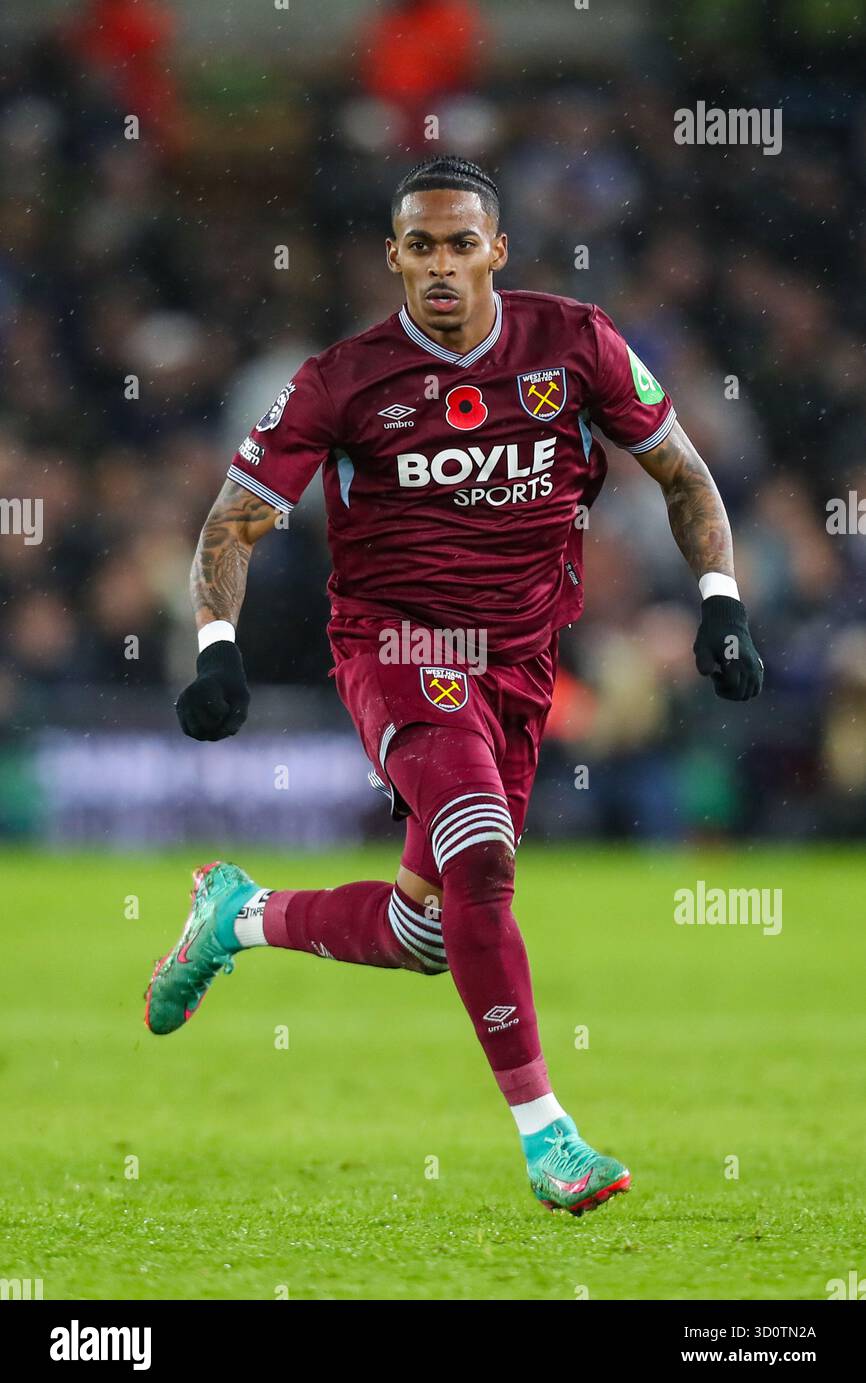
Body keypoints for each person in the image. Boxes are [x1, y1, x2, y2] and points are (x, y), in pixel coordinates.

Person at [144, 156, 763, 1217]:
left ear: (496, 250)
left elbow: (682, 473)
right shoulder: (340, 379)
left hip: (520, 660)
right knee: (478, 847)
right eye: (419, 246)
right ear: (392, 255)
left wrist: (718, 600)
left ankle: (236, 916)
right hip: (397, 648)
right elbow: (233, 522)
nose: (440, 265)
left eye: (459, 243)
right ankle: (548, 1138)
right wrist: (214, 645)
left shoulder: (572, 343)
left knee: (430, 930)